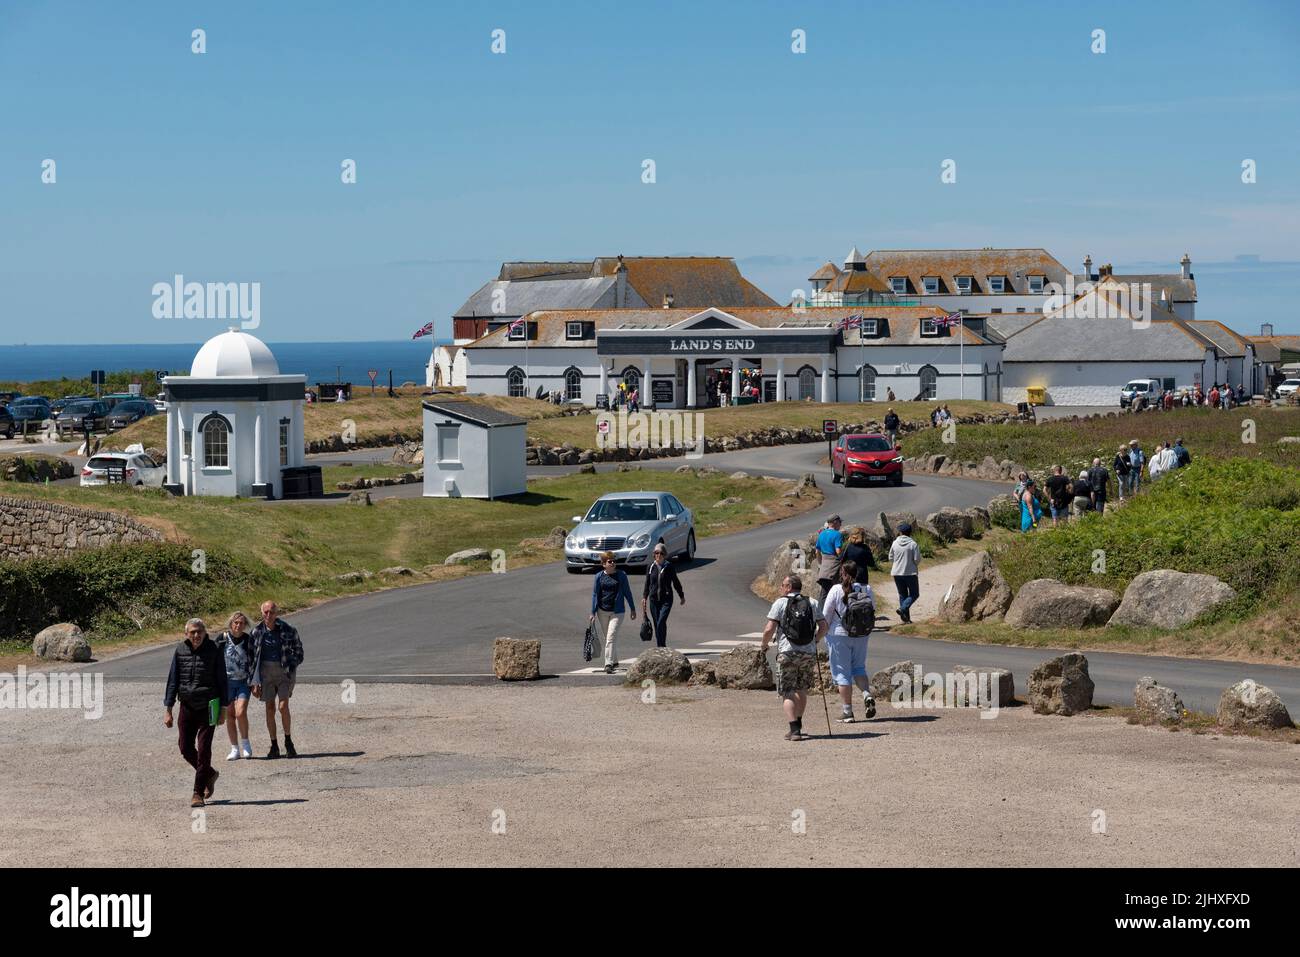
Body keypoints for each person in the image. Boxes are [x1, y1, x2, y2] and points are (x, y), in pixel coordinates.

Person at [163, 618, 229, 808]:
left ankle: (197, 793)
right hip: (187, 706)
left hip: (209, 706)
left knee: (204, 749)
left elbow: (222, 680)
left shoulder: (214, 650)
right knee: (184, 747)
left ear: (205, 632)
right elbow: (173, 681)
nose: (196, 635)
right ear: (186, 634)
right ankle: (209, 774)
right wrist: (168, 709)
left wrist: (224, 708)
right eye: (192, 632)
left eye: (199, 631)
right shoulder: (180, 650)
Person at [759, 574, 827, 742]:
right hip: (808, 653)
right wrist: (815, 640)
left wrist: (764, 645)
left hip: (787, 652)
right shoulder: (812, 602)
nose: (781, 588)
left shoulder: (780, 603)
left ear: (789, 587)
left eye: (783, 585)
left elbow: (769, 628)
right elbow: (824, 626)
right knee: (801, 689)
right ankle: (798, 723)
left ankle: (794, 729)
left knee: (787, 691)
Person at [821, 561, 876, 723]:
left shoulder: (836, 590)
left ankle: (848, 712)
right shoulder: (867, 589)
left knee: (842, 673)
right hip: (861, 635)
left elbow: (826, 615)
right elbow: (873, 611)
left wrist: (820, 635)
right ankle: (866, 693)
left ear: (842, 573)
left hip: (838, 636)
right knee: (859, 667)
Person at [251, 600, 305, 759]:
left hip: (283, 674)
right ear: (262, 613)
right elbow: (251, 659)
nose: (269, 615)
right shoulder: (256, 632)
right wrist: (253, 682)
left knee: (283, 707)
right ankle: (274, 745)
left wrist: (291, 665)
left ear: (277, 613)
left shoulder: (288, 629)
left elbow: (299, 651)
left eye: (272, 612)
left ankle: (288, 741)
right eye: (266, 612)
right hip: (265, 675)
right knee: (269, 708)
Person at [216, 612, 256, 761]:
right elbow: (215, 659)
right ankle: (234, 749)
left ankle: (246, 744)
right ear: (231, 624)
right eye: (236, 622)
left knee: (240, 712)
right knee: (230, 715)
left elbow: (254, 662)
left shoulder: (248, 640)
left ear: (245, 625)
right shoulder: (222, 639)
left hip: (243, 683)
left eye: (241, 623)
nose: (238, 625)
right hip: (226, 683)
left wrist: (255, 682)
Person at [590, 552, 636, 674]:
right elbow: (595, 594)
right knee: (608, 638)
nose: (613, 563)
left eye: (614, 561)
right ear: (604, 564)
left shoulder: (621, 575)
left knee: (610, 637)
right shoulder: (598, 576)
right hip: (602, 611)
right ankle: (614, 661)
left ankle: (608, 664)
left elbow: (627, 592)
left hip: (617, 611)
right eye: (609, 561)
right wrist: (592, 612)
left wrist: (632, 608)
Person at [641, 543, 684, 648]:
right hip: (653, 599)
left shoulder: (669, 567)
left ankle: (662, 645)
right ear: (654, 554)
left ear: (664, 555)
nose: (658, 555)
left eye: (661, 553)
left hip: (666, 599)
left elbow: (676, 582)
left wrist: (681, 595)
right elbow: (647, 583)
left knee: (661, 621)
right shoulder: (650, 567)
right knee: (657, 624)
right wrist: (644, 597)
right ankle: (661, 646)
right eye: (656, 553)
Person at [888, 522, 921, 624]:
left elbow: (890, 558)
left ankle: (905, 619)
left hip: (897, 572)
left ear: (901, 532)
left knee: (902, 594)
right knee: (914, 594)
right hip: (910, 573)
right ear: (910, 533)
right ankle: (903, 609)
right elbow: (917, 560)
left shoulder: (894, 543)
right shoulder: (913, 544)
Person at [815, 514, 845, 602]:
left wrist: (820, 564)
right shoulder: (837, 534)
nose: (840, 524)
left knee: (824, 593)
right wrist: (844, 561)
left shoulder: (821, 534)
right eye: (840, 522)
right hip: (834, 569)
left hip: (824, 568)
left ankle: (821, 612)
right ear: (835, 522)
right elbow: (838, 551)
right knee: (834, 593)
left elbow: (817, 552)